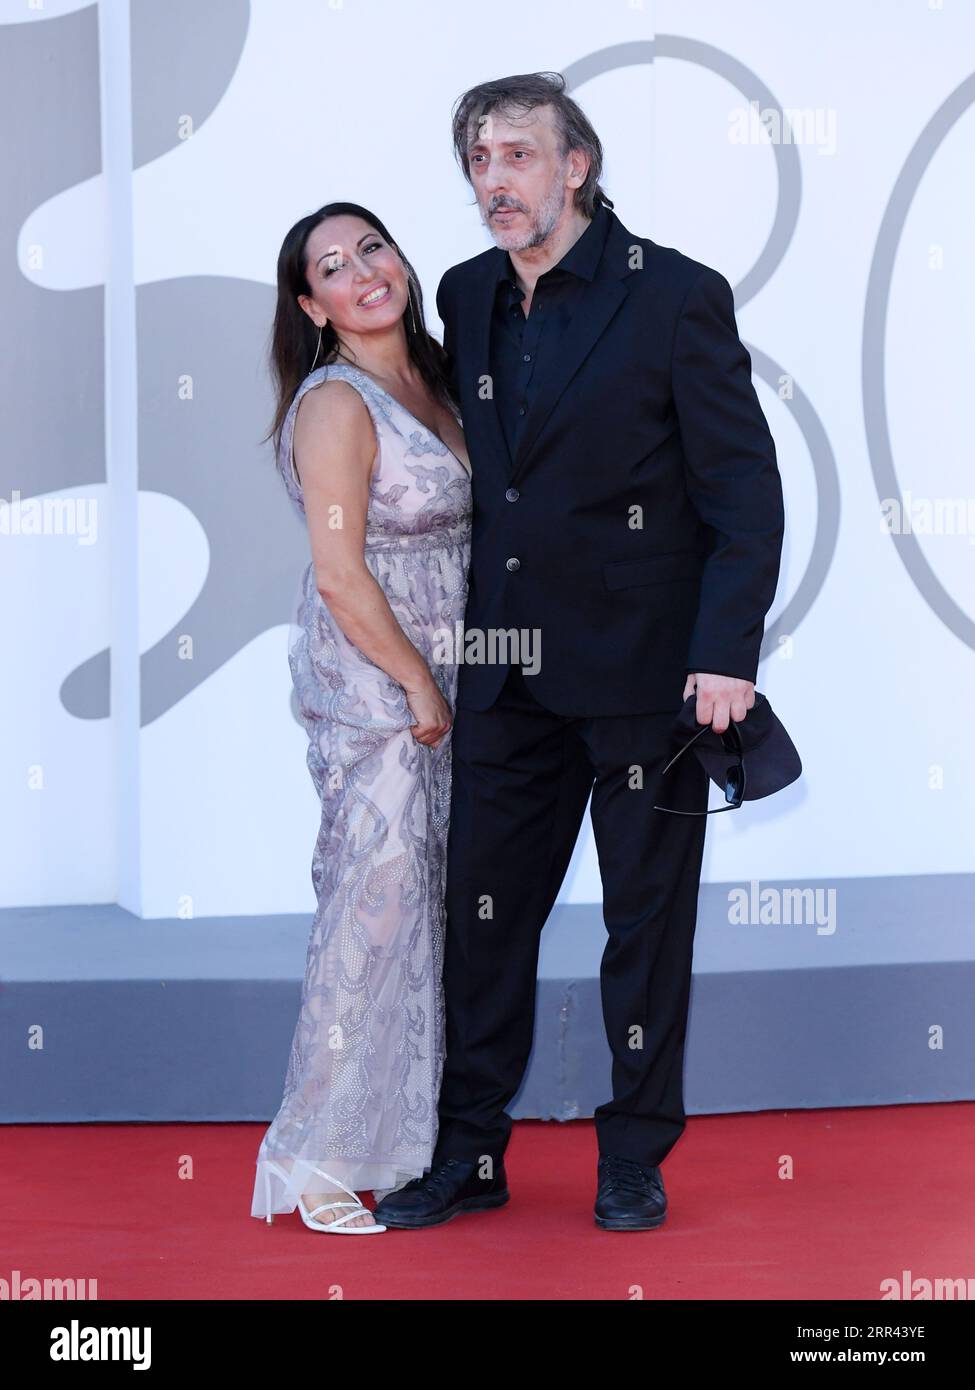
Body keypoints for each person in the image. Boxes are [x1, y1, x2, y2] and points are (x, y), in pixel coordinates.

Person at [374, 73, 785, 1232]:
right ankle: (471, 1149)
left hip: (647, 671)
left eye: (516, 155)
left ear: (577, 165)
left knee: (644, 928)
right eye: (478, 160)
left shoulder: (676, 297)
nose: (493, 179)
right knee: (483, 921)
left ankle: (634, 1153)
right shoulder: (464, 293)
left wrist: (726, 653)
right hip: (504, 665)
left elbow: (745, 495)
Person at [251, 202, 471, 1233]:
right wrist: (417, 684)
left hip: (462, 666)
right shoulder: (334, 403)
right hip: (379, 684)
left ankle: (410, 1140)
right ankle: (320, 1158)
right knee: (371, 908)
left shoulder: (435, 373)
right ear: (313, 304)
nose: (363, 272)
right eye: (333, 266)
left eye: (371, 247)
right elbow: (341, 573)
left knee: (427, 910)